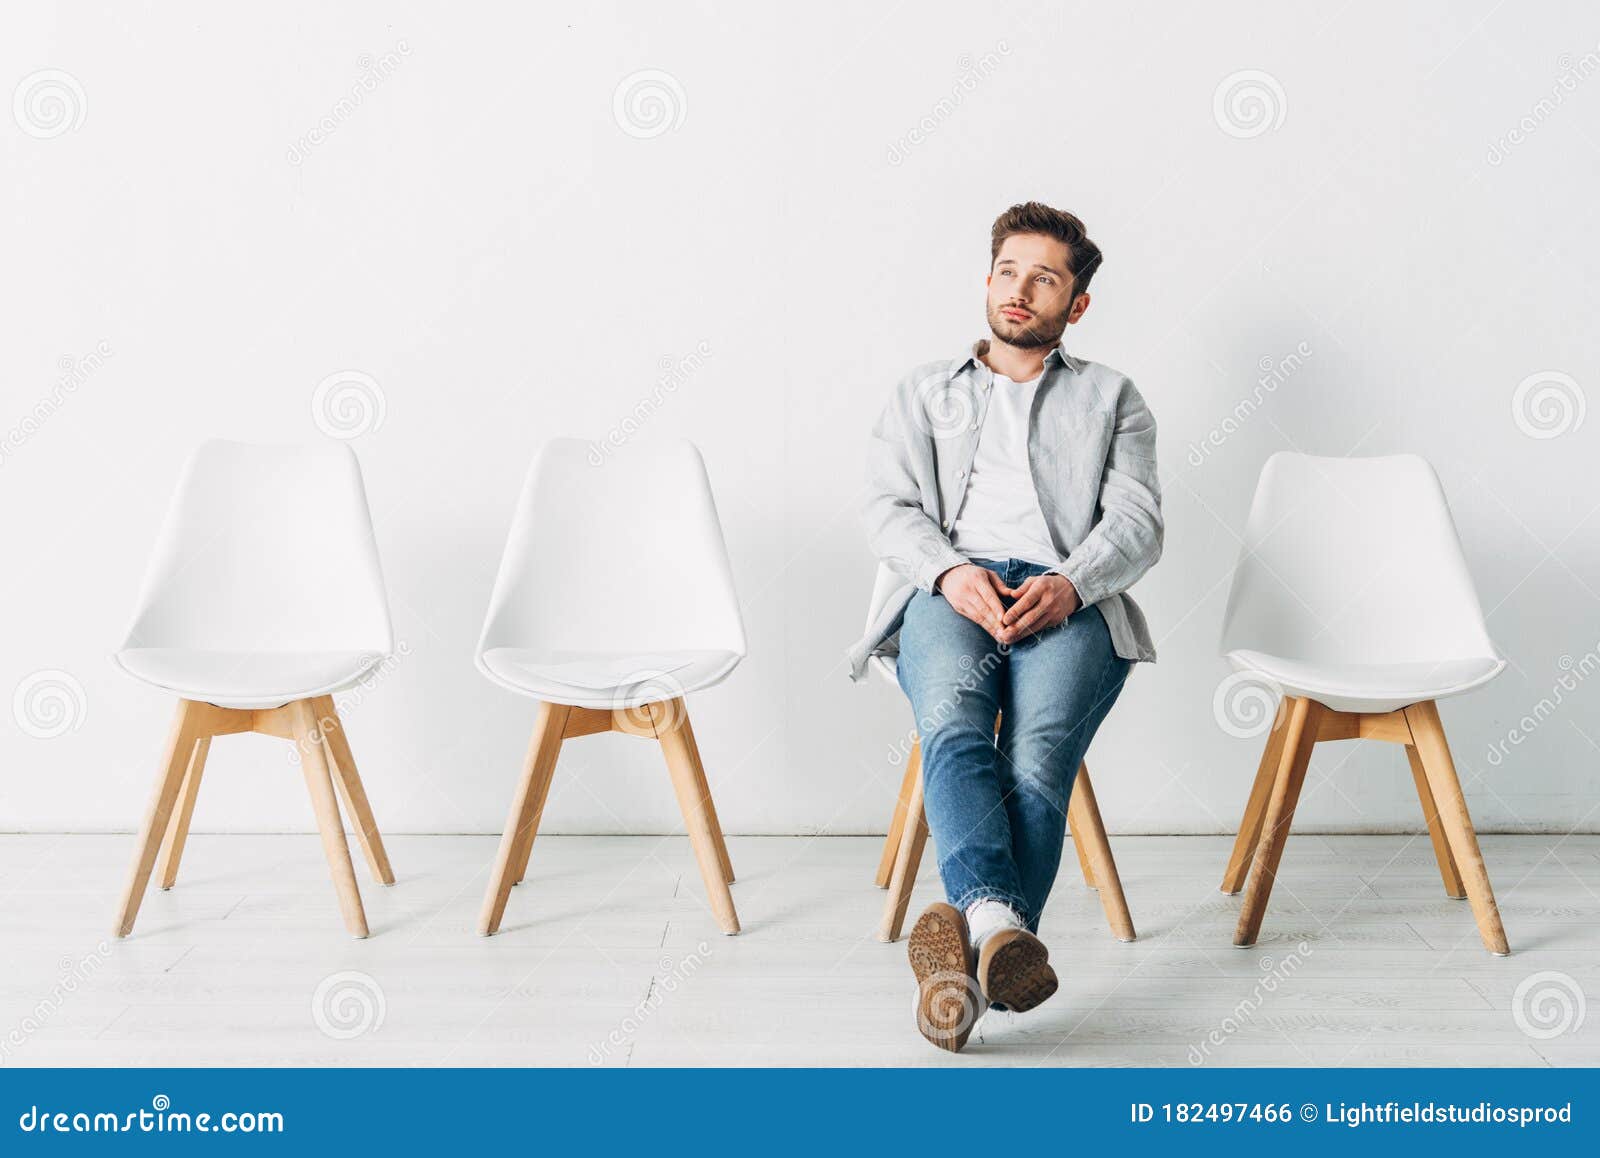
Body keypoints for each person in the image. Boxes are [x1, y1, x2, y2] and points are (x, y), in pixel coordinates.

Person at [848, 202, 1163, 1051]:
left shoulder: (1113, 399)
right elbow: (887, 508)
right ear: (988, 280)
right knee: (954, 725)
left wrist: (1070, 583)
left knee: (1036, 751)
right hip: (953, 591)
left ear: (1077, 304)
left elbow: (1137, 523)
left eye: (1045, 278)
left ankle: (968, 954)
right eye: (1008, 271)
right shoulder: (924, 392)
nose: (1020, 290)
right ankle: (998, 934)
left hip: (1071, 601)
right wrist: (950, 573)